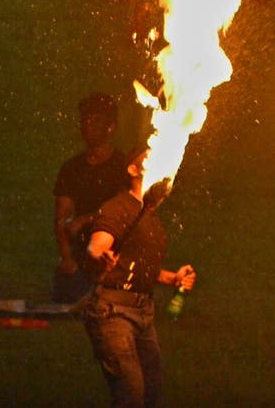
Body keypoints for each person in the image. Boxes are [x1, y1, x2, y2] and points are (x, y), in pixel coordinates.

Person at [83, 146, 196, 406]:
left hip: (143, 314)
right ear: (132, 169)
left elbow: (140, 267)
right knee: (131, 393)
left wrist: (173, 279)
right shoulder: (119, 207)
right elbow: (96, 245)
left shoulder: (150, 215)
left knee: (152, 392)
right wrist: (100, 255)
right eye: (148, 154)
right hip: (112, 312)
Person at [53, 92, 127, 304]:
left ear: (110, 127)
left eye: (95, 120)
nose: (88, 125)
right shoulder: (72, 168)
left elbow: (125, 209)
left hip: (115, 254)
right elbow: (61, 218)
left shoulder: (123, 167)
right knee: (67, 294)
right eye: (85, 119)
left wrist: (86, 219)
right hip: (82, 256)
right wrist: (66, 257)